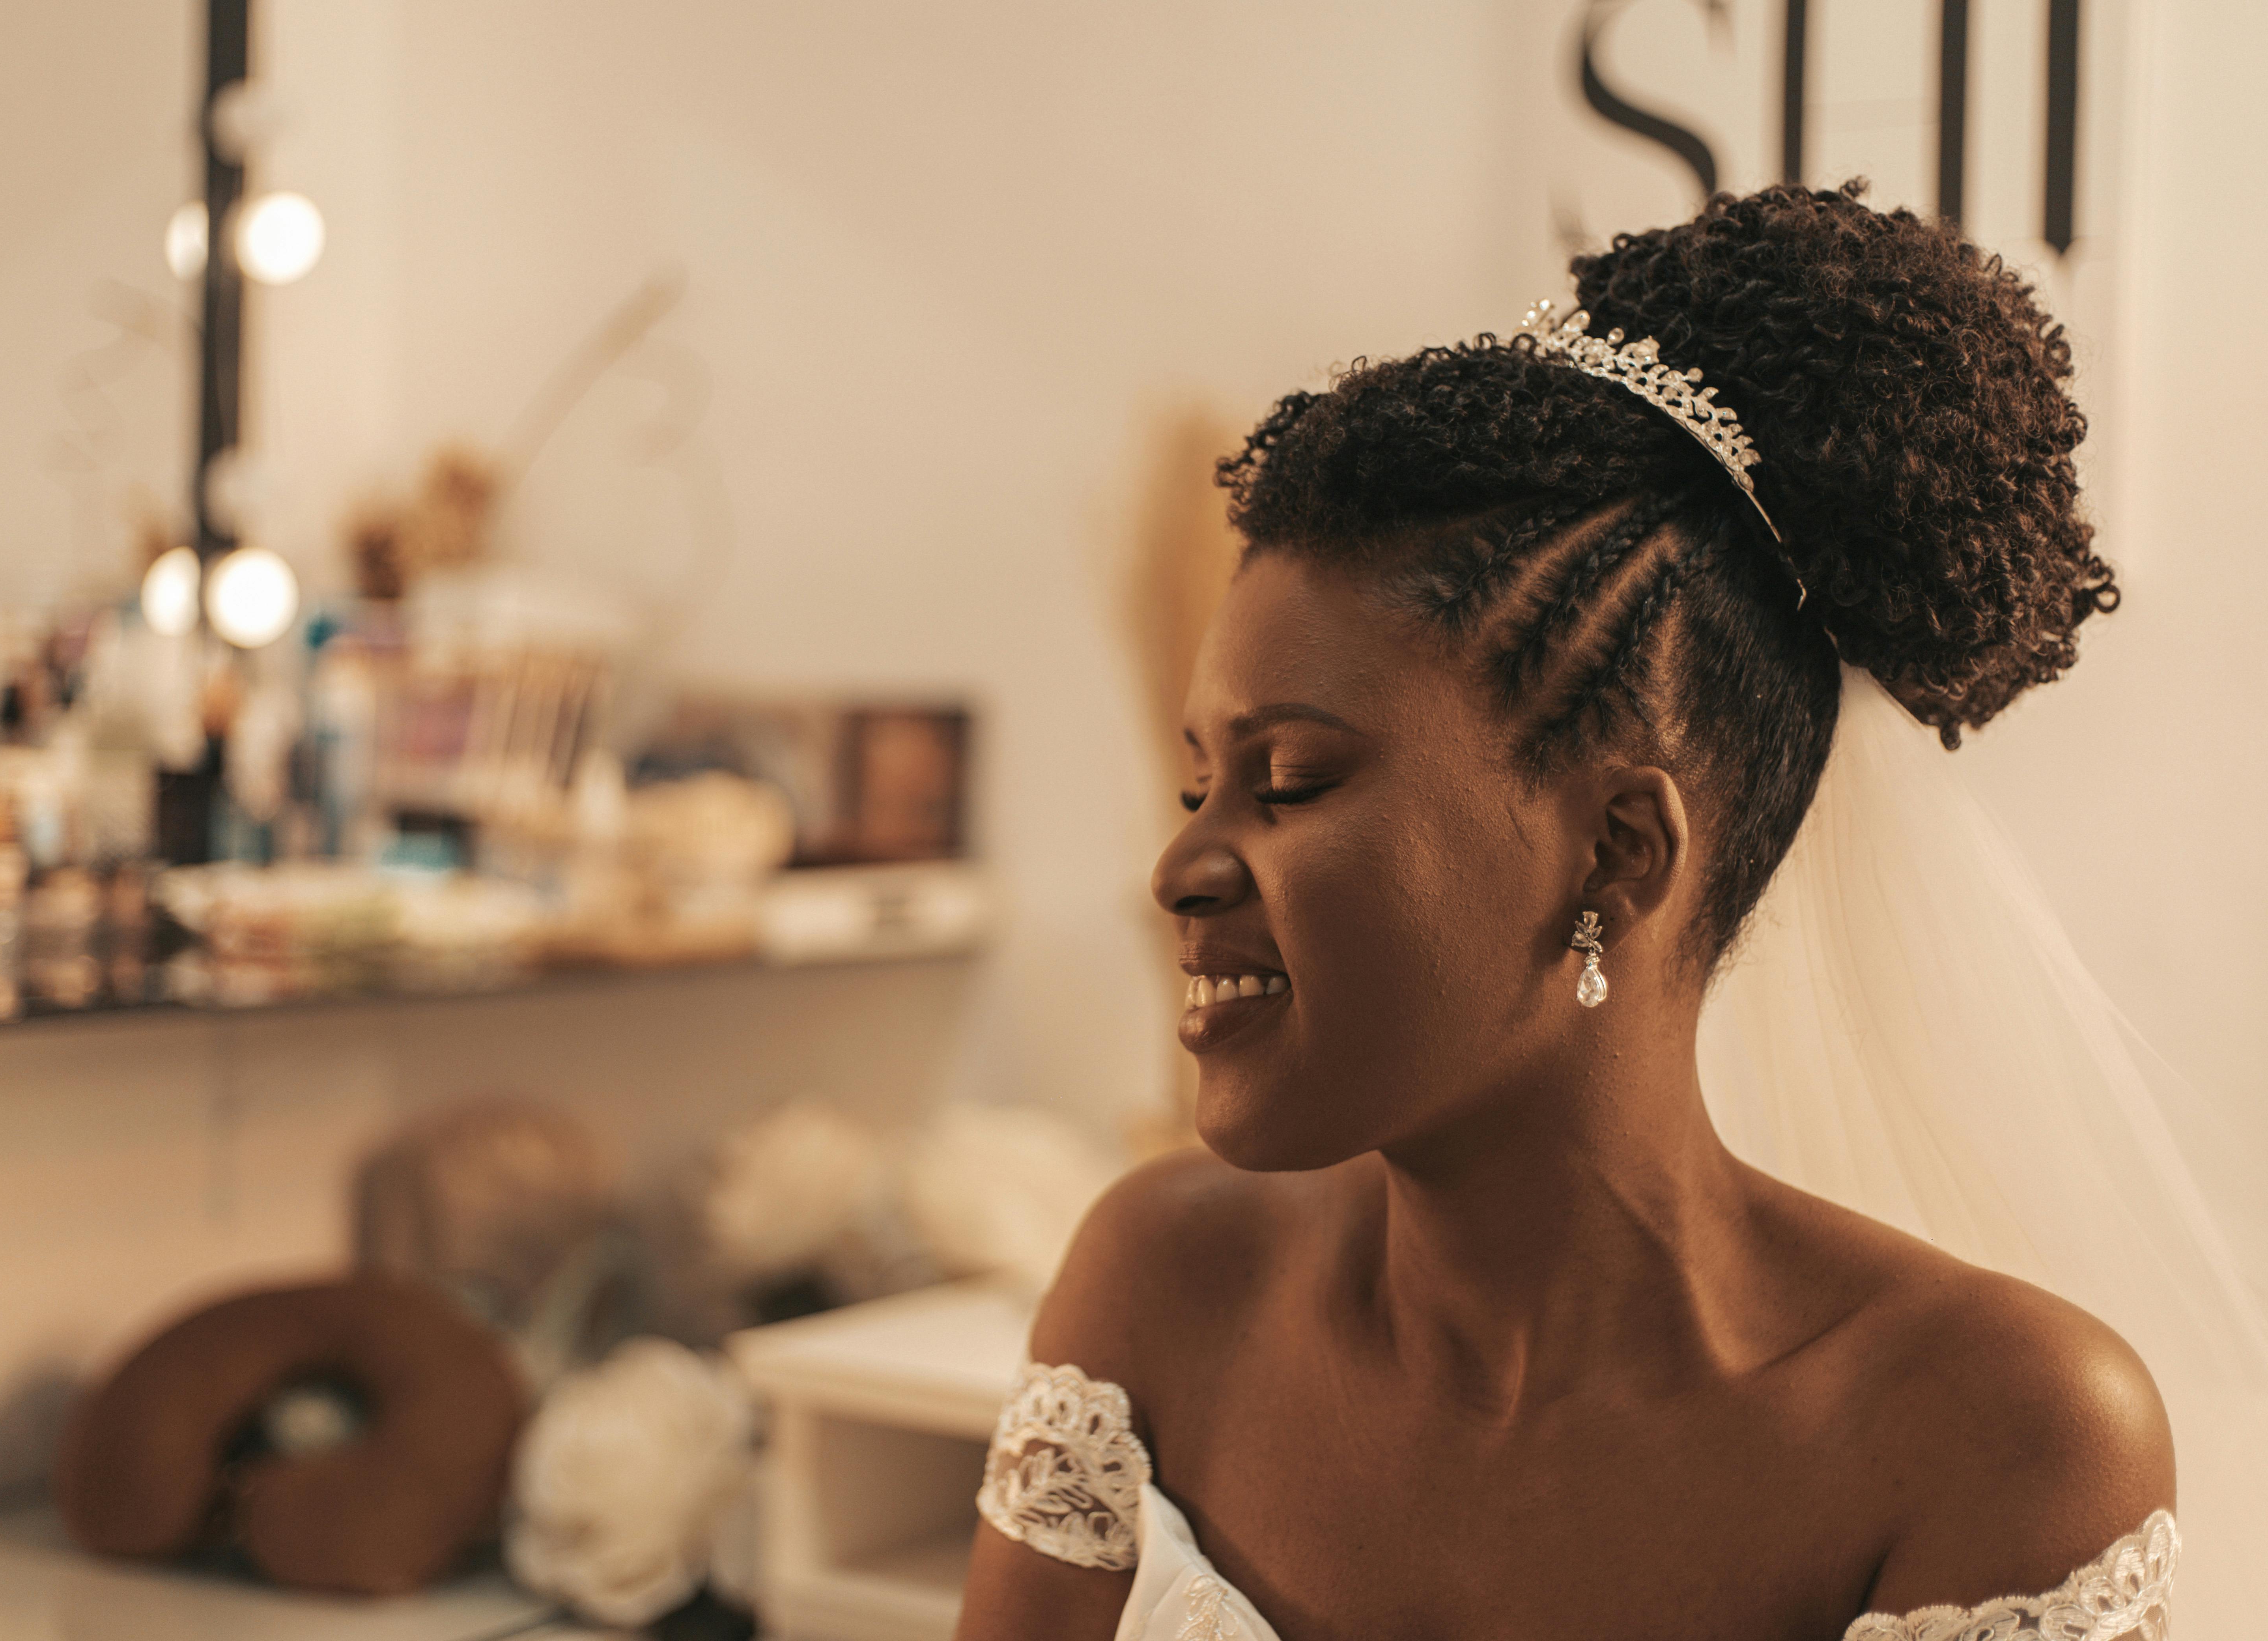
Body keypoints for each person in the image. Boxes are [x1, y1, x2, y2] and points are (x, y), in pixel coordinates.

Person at [953, 183, 2229, 1641]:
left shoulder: (1999, 1437)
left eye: (1290, 781)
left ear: (1618, 851)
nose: (1182, 870)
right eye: (1200, 787)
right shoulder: (1162, 1291)